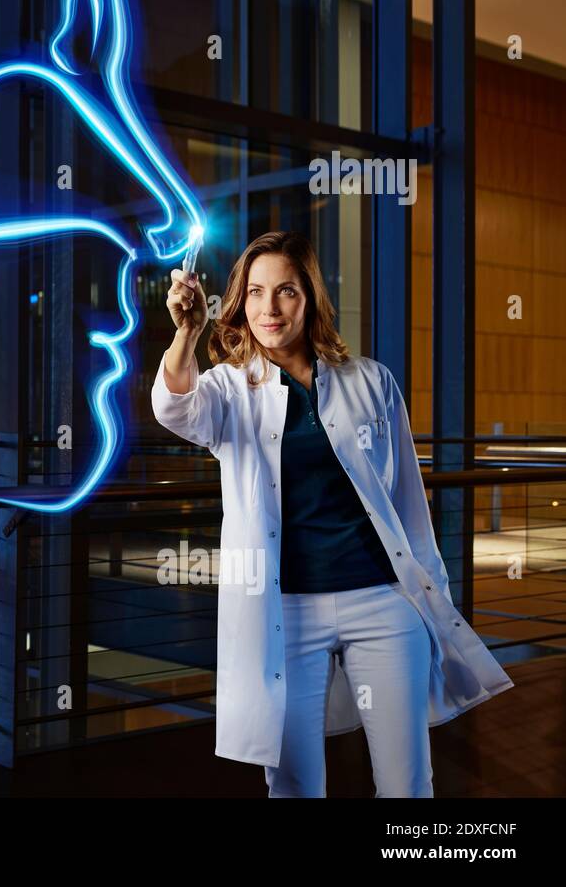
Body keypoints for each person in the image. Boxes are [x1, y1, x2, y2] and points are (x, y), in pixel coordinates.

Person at [151, 230, 513, 798]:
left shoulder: (370, 381)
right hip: (286, 613)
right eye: (256, 292)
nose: (270, 308)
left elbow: (410, 507)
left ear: (311, 297)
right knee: (294, 782)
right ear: (241, 302)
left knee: (407, 781)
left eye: (287, 291)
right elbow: (174, 408)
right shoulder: (229, 390)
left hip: (383, 604)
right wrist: (187, 333)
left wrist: (428, 598)